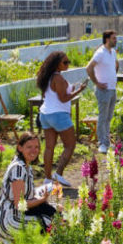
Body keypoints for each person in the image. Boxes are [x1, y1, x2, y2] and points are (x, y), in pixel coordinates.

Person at [36, 51, 87, 188]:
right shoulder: (58, 78)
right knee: (70, 145)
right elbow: (63, 98)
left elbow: (53, 95)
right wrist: (79, 90)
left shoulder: (47, 76)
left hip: (45, 115)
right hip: (59, 115)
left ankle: (47, 179)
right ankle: (58, 173)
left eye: (68, 61)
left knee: (49, 147)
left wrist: (71, 89)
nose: (68, 64)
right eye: (65, 62)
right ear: (57, 64)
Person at [0, 132, 56, 243]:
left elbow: (26, 196)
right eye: (29, 147)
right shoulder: (18, 168)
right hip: (10, 219)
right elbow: (20, 204)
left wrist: (41, 195)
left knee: (54, 210)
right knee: (49, 222)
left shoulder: (26, 166)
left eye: (36, 147)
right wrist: (42, 199)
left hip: (18, 215)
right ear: (20, 147)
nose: (34, 150)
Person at [85, 30, 119, 154]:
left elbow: (115, 65)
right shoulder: (100, 53)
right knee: (103, 117)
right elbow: (89, 68)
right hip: (103, 90)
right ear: (107, 39)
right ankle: (102, 143)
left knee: (109, 117)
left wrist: (112, 77)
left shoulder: (113, 52)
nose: (116, 40)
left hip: (112, 89)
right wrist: (97, 83)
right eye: (114, 38)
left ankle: (107, 141)